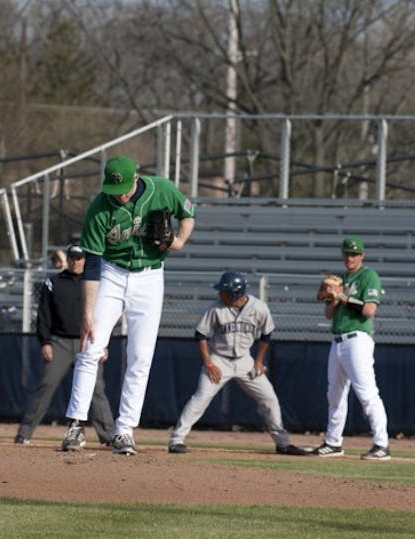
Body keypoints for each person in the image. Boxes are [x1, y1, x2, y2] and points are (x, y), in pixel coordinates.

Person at [61, 155, 196, 454]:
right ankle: (75, 426)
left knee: (141, 356)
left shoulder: (161, 189)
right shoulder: (99, 207)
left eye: (121, 189)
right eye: (112, 189)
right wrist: (87, 315)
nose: (118, 195)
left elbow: (188, 213)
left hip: (150, 276)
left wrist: (179, 241)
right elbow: (93, 263)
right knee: (91, 347)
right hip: (111, 272)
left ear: (136, 177)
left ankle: (125, 431)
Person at [167, 272, 309, 456]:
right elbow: (200, 336)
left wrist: (258, 361)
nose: (220, 294)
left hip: (245, 361)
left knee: (269, 398)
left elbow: (266, 335)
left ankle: (282, 444)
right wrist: (209, 364)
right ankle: (176, 440)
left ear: (236, 293)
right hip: (219, 359)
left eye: (224, 291)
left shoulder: (259, 307)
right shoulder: (216, 309)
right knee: (201, 397)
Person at [14, 244, 114, 445]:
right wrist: (45, 342)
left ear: (85, 260)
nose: (75, 262)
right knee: (46, 385)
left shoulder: (96, 284)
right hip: (59, 341)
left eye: (79, 258)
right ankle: (24, 433)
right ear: (67, 259)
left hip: (88, 342)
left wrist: (103, 344)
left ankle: (109, 437)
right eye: (72, 257)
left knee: (96, 390)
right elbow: (44, 316)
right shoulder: (53, 283)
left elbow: (105, 316)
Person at [312, 236, 390, 460]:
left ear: (362, 256)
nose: (350, 257)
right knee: (334, 395)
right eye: (347, 253)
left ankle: (381, 444)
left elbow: (369, 310)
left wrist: (343, 297)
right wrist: (333, 298)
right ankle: (333, 442)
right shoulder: (341, 278)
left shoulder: (368, 276)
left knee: (367, 393)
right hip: (336, 341)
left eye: (355, 254)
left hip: (357, 340)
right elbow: (328, 315)